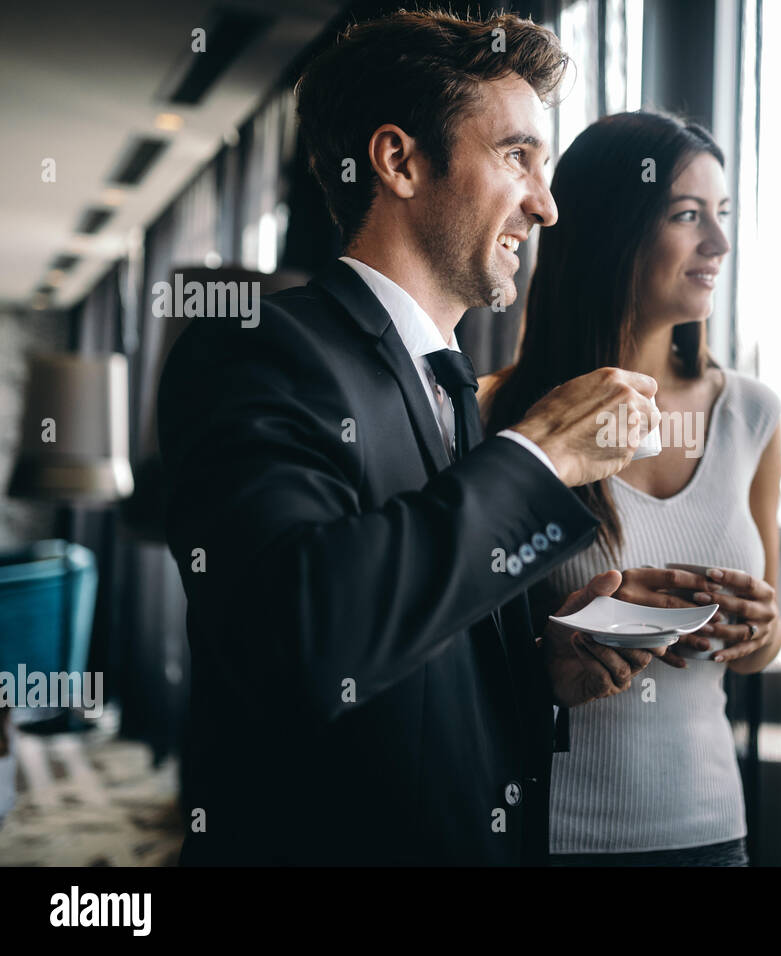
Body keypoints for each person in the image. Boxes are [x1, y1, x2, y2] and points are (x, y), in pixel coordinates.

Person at [157, 10, 666, 866]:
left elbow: (414, 620)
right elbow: (307, 630)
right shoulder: (255, 349)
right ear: (398, 161)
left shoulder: (452, 389)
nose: (546, 204)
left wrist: (539, 663)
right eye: (518, 157)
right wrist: (540, 457)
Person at [483, 111, 781, 866]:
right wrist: (556, 649)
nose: (718, 244)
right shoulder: (499, 416)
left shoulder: (752, 412)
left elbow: (765, 646)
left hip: (710, 830)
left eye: (722, 216)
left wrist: (760, 632)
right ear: (612, 230)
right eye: (688, 216)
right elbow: (463, 657)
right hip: (552, 835)